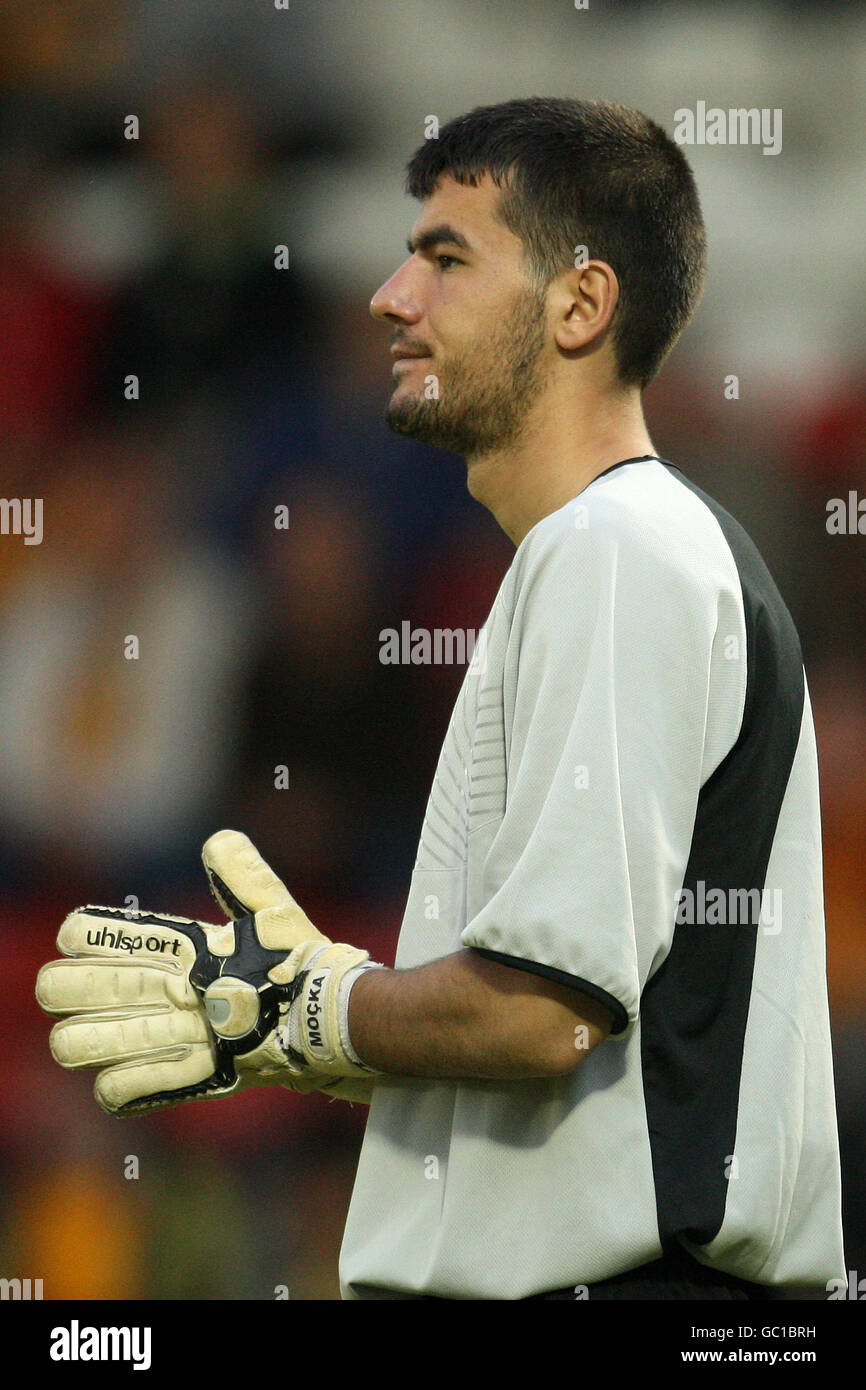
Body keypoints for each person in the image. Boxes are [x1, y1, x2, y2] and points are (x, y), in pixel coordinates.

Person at [37, 98, 845, 1302]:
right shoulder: (603, 552)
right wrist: (313, 1015)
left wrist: (308, 1010)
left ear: (580, 303)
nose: (388, 298)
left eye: (444, 257)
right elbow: (579, 1049)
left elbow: (542, 1015)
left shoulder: (614, 551)